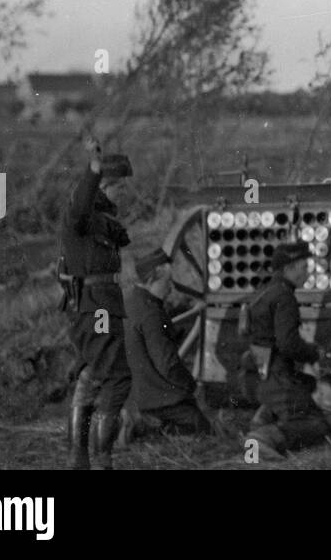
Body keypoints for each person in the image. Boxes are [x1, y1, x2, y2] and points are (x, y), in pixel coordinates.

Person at [59, 136, 134, 470]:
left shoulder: (102, 221)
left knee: (91, 374)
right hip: (97, 309)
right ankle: (104, 459)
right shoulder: (83, 216)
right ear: (104, 185)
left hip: (98, 306)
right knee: (118, 377)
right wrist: (92, 169)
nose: (124, 193)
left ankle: (80, 458)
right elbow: (80, 204)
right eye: (119, 187)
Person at [246, 240, 331, 457]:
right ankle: (262, 438)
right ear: (288, 268)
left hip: (257, 376)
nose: (308, 273)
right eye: (304, 267)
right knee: (319, 427)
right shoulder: (284, 296)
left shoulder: (264, 292)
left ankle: (265, 416)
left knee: (307, 392)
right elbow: (288, 344)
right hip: (277, 377)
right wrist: (314, 353)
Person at [120, 248, 212, 444]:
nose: (170, 288)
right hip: (156, 398)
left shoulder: (128, 300)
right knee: (203, 429)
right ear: (155, 277)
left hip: (130, 395)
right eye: (167, 282)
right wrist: (192, 387)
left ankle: (141, 422)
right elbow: (168, 365)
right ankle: (144, 426)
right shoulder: (152, 313)